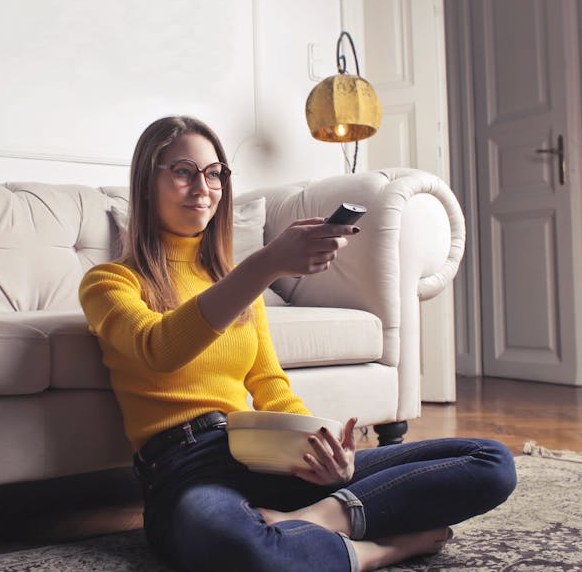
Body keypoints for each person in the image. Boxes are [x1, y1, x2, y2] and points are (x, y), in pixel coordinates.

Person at [79, 116, 516, 571]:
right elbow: (160, 348)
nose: (203, 187)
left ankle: (321, 517)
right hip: (185, 472)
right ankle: (382, 549)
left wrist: (325, 451)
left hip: (261, 452)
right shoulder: (109, 283)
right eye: (184, 171)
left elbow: (272, 387)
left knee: (490, 461)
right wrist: (266, 264)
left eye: (214, 174)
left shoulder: (232, 284)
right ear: (147, 184)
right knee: (234, 544)